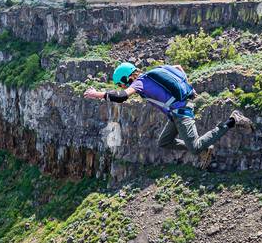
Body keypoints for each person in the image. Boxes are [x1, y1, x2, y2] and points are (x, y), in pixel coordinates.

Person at [82, 62, 253, 167]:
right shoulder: (156, 70)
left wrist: (97, 94)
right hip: (176, 112)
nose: (122, 87)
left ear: (127, 79)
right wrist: (186, 86)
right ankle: (204, 148)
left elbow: (121, 97)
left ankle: (232, 121)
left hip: (181, 113)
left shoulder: (141, 82)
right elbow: (178, 67)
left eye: (121, 84)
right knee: (164, 142)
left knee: (194, 147)